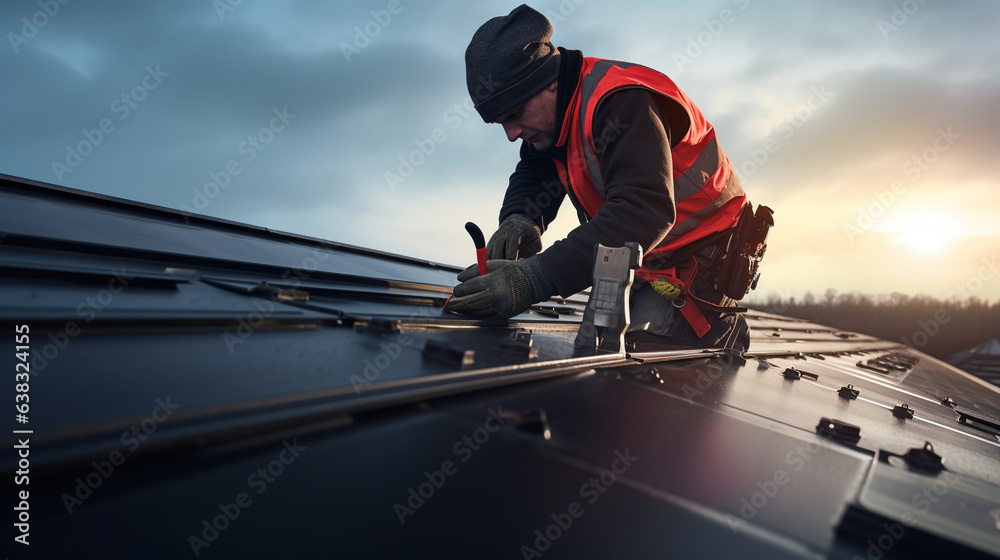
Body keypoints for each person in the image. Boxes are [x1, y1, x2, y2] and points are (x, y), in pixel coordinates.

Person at [444, 4, 765, 352]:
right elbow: (536, 167)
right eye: (500, 122)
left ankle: (724, 331)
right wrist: (521, 218)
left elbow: (643, 211)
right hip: (639, 255)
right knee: (594, 349)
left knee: (643, 360)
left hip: (699, 260)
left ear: (548, 84)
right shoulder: (555, 116)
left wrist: (534, 278)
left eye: (515, 114)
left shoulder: (620, 103)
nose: (510, 133)